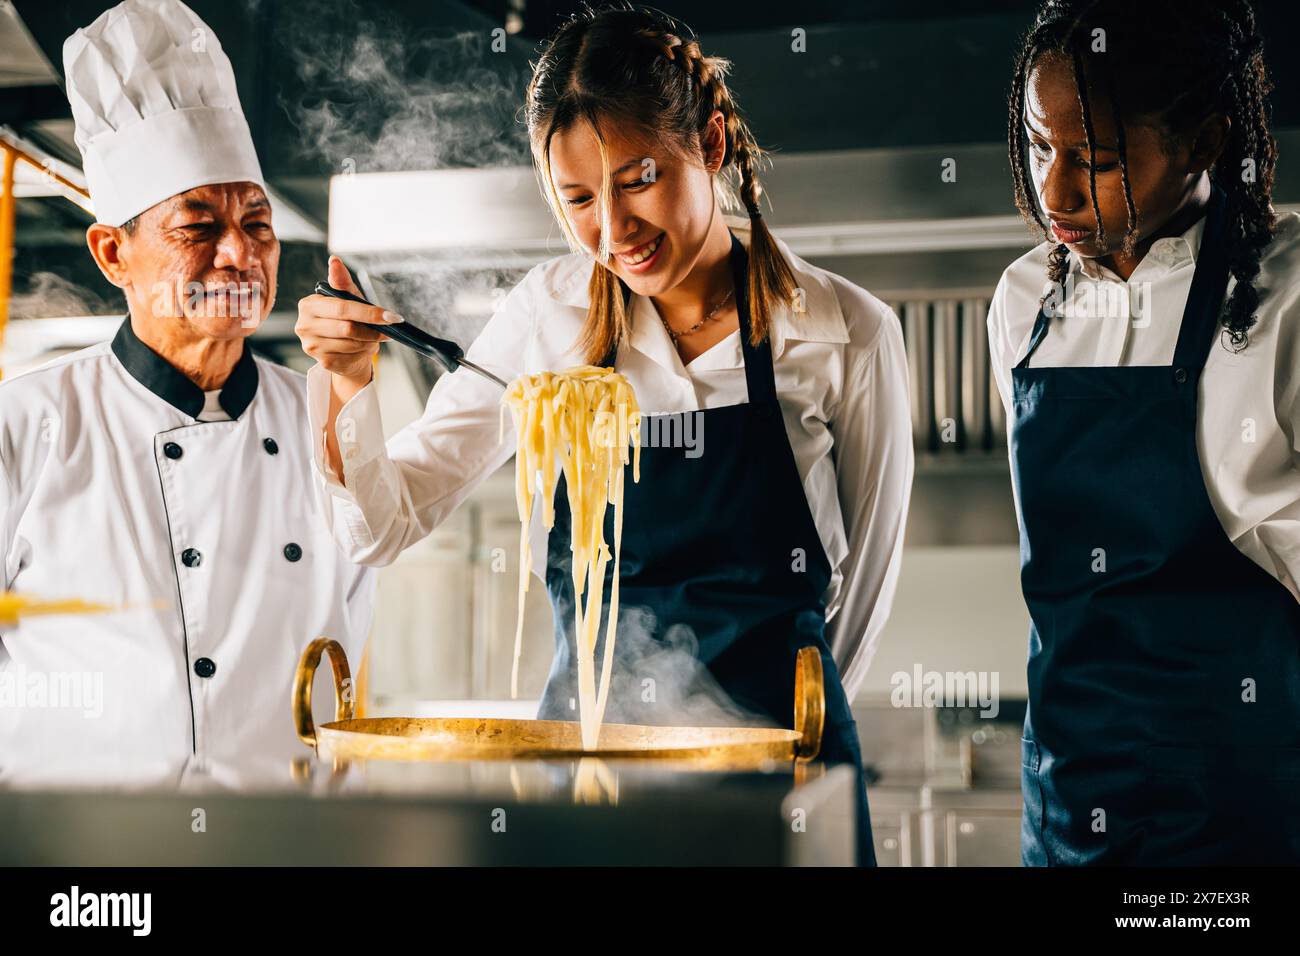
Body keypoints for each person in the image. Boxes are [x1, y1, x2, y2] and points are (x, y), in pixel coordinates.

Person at [295, 4, 912, 865]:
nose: (614, 233)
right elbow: (380, 527)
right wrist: (347, 383)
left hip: (783, 780)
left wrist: (775, 741)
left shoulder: (845, 331)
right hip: (591, 786)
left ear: (713, 143)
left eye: (639, 179)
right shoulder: (546, 318)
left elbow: (865, 589)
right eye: (578, 199)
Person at [0, 0, 375, 768]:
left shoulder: (327, 420)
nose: (239, 252)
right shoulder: (25, 423)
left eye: (258, 223)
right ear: (112, 254)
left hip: (279, 843)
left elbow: (348, 639)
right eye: (198, 226)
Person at [991, 0, 1300, 864]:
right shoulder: (1024, 307)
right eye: (1038, 145)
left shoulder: (1290, 295)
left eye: (1096, 160)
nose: (1053, 190)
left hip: (1244, 809)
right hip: (1067, 801)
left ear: (1204, 141)